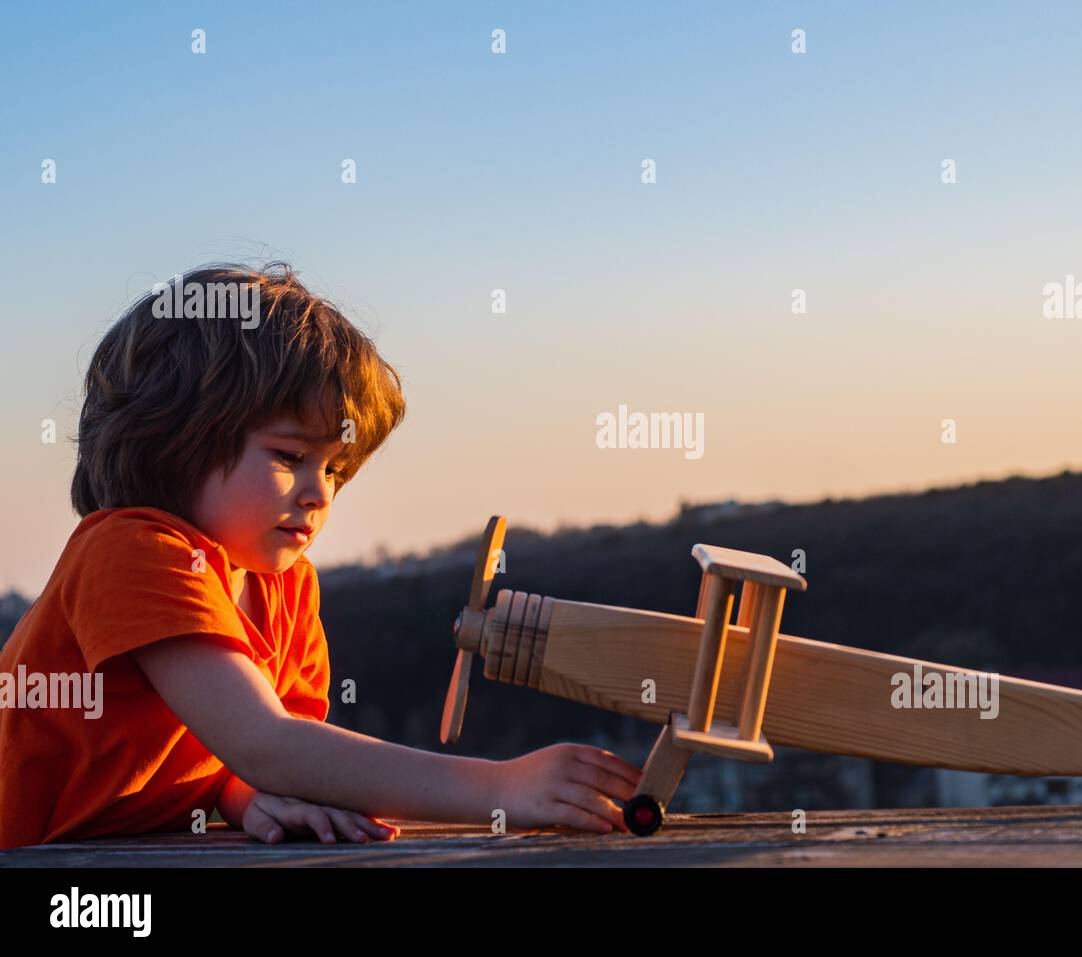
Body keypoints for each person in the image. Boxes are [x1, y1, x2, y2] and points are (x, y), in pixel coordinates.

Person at [0, 263, 641, 849]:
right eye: (289, 457)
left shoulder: (287, 586)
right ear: (174, 440)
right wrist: (502, 791)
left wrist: (249, 796)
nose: (319, 492)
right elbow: (269, 745)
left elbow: (257, 760)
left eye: (336, 468)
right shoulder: (132, 551)